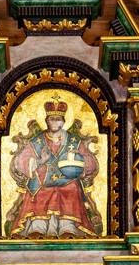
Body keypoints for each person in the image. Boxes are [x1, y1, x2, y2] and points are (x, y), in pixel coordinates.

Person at [7, 100, 100, 238]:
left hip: (67, 179)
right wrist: (39, 161)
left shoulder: (73, 141)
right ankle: (37, 228)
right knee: (41, 190)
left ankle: (68, 228)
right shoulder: (37, 141)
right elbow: (21, 161)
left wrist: (79, 158)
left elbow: (91, 162)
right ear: (47, 121)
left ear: (63, 122)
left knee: (72, 188)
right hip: (42, 180)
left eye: (58, 119)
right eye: (52, 119)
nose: (55, 123)